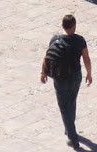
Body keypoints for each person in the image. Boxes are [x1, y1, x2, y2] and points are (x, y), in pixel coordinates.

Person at [40, 12, 93, 149]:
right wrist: (89, 73)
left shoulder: (54, 39)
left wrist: (43, 72)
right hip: (75, 76)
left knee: (64, 106)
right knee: (71, 101)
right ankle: (70, 129)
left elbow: (47, 57)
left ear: (62, 25)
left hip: (60, 78)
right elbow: (86, 58)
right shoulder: (79, 40)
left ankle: (72, 136)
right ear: (74, 26)